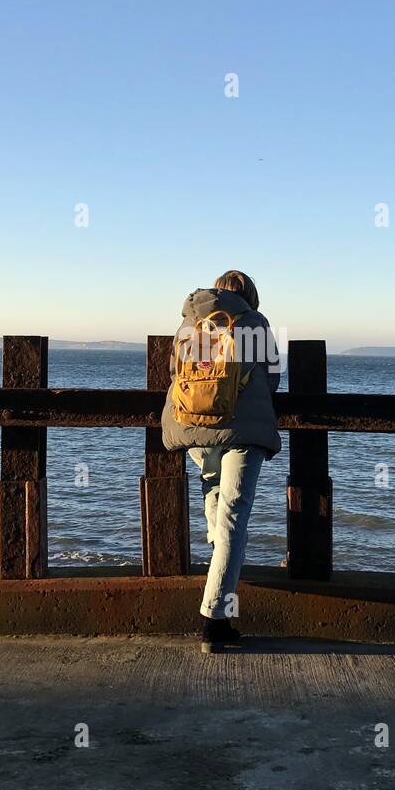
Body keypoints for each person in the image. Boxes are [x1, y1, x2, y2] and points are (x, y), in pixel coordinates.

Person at [161, 270, 281, 651]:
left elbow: (173, 372)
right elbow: (274, 378)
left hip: (195, 425)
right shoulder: (255, 324)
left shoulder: (190, 321)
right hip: (243, 432)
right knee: (234, 515)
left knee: (213, 494)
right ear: (250, 295)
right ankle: (214, 619)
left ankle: (220, 561)